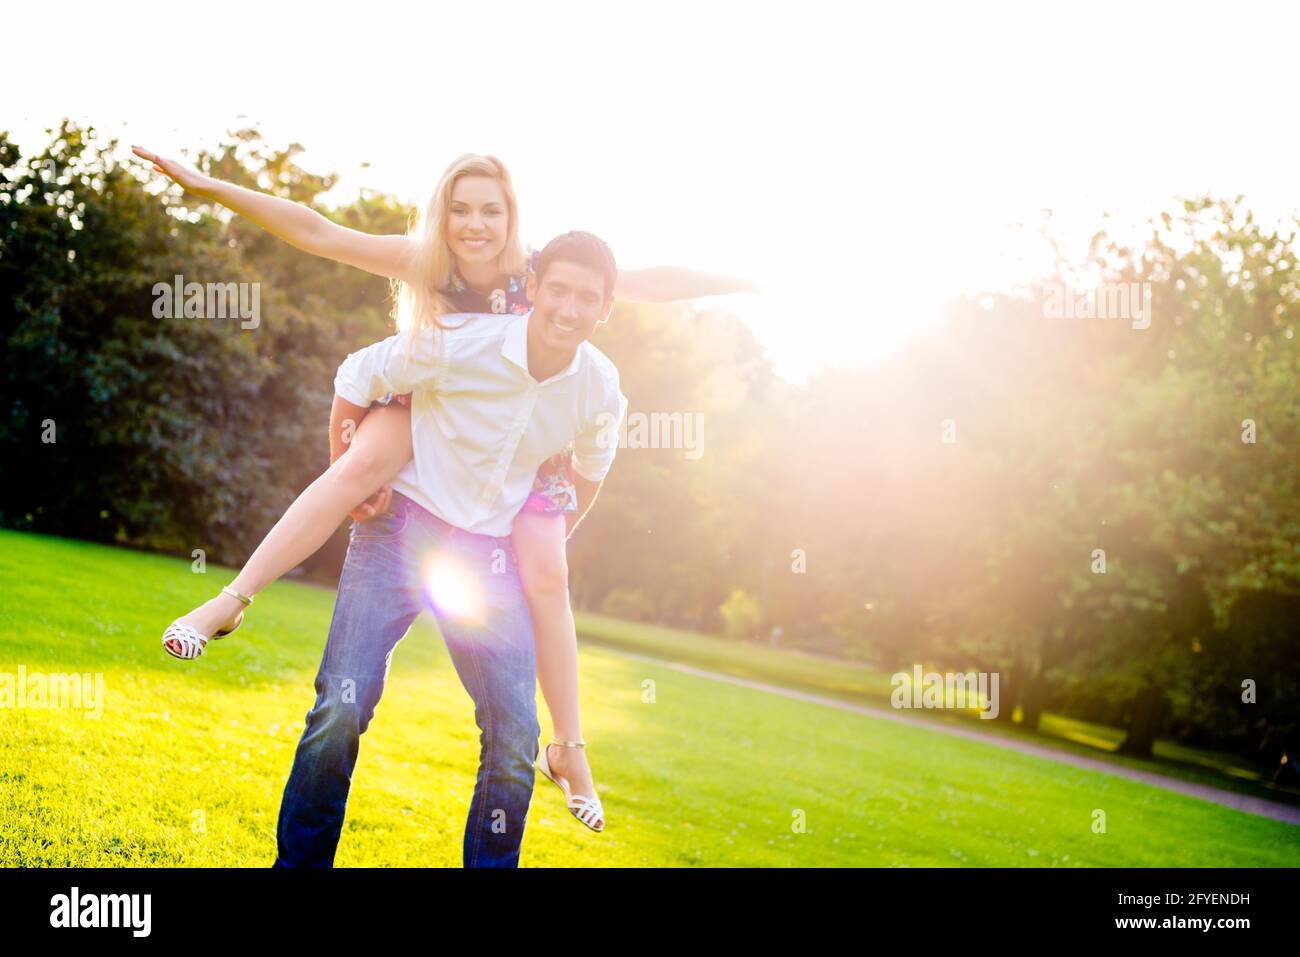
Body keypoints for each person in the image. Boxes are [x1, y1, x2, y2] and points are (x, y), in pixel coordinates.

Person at [135, 146, 752, 832]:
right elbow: (317, 233)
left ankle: (569, 746)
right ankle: (228, 600)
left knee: (548, 571)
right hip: (433, 397)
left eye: (490, 209)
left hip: (522, 443)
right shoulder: (427, 262)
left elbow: (647, 281)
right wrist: (207, 187)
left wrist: (746, 280)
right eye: (459, 209)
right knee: (358, 472)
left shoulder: (542, 275)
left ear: (513, 217)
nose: (474, 224)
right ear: (441, 214)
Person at [277, 230, 624, 866]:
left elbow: (590, 475)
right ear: (535, 289)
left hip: (489, 553)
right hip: (401, 529)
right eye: (560, 290)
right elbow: (359, 372)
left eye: (588, 298)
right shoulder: (472, 343)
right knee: (341, 706)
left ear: (606, 309)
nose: (570, 308)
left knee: (516, 737)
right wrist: (346, 469)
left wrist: (544, 537)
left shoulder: (600, 388)